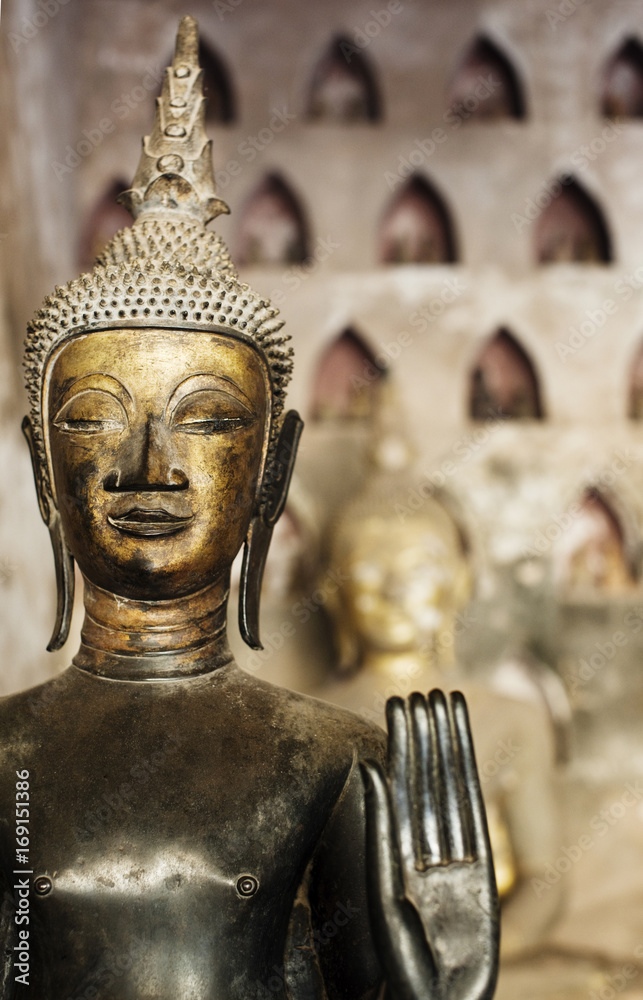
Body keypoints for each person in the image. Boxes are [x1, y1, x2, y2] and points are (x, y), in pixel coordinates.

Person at [0, 18, 499, 1000]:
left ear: (272, 474)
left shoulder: (335, 762)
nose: (152, 466)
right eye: (99, 417)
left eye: (207, 420)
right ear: (42, 463)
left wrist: (442, 983)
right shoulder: (10, 764)